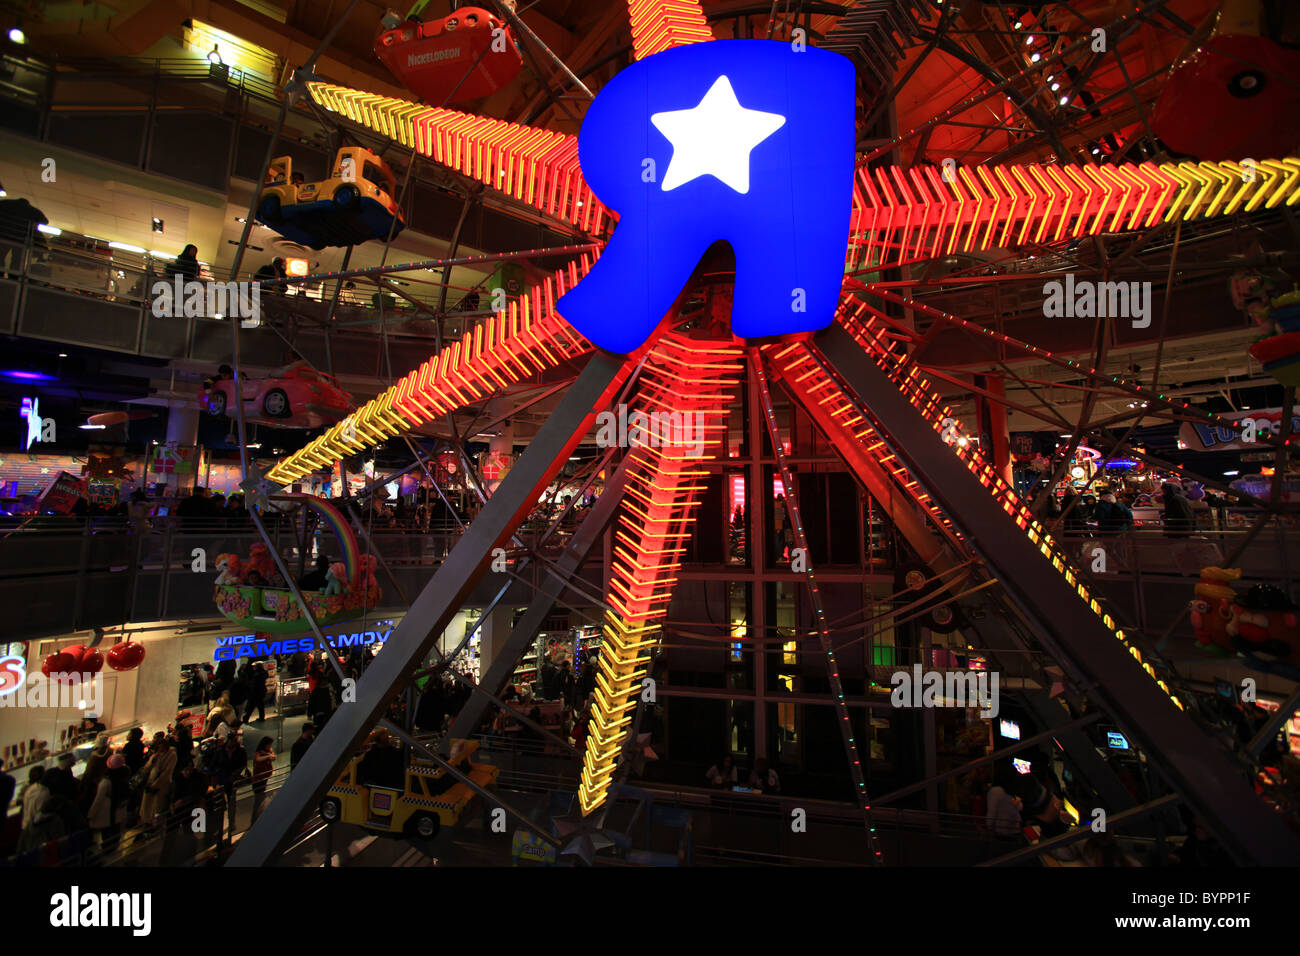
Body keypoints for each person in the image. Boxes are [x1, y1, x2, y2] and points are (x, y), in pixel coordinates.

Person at [138, 739, 176, 830]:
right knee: (147, 806)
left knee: (157, 806)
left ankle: (156, 825)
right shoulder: (156, 755)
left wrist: (155, 784)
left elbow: (167, 772)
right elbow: (147, 767)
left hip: (161, 785)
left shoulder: (172, 755)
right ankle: (147, 823)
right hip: (150, 782)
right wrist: (152, 760)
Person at [251, 737, 274, 820]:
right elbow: (257, 759)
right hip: (258, 779)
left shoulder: (269, 751)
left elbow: (273, 757)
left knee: (261, 799)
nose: (270, 746)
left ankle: (259, 817)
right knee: (258, 800)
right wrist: (268, 756)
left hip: (265, 778)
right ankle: (255, 819)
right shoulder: (259, 752)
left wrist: (269, 755)